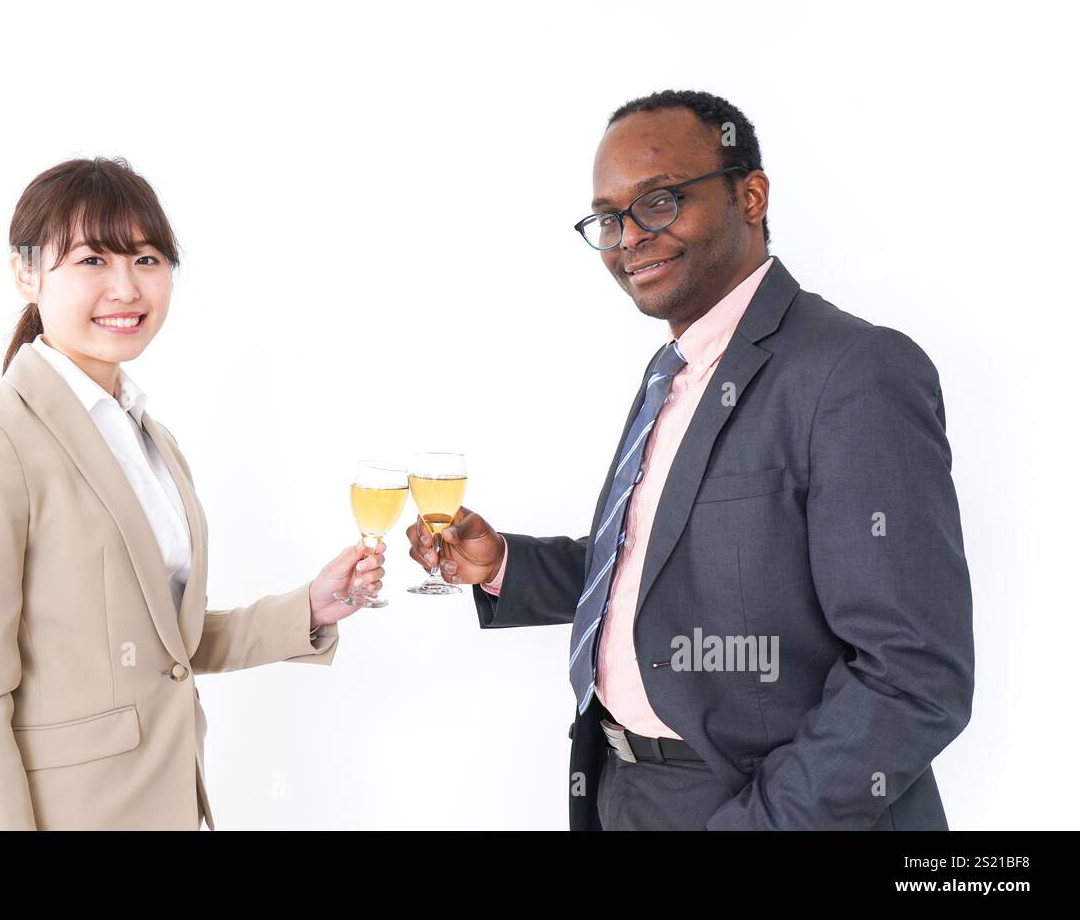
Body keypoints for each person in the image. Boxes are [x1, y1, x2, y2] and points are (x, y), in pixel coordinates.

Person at [407, 90, 974, 830]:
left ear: (751, 194)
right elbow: (657, 572)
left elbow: (915, 676)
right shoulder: (670, 372)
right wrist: (503, 565)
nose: (629, 237)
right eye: (609, 218)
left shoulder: (854, 370)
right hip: (625, 791)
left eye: (660, 201)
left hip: (769, 806)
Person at [0, 156, 385, 829]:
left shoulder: (152, 440)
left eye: (146, 259)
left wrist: (310, 607)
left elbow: (170, 646)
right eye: (92, 261)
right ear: (26, 272)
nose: (126, 287)